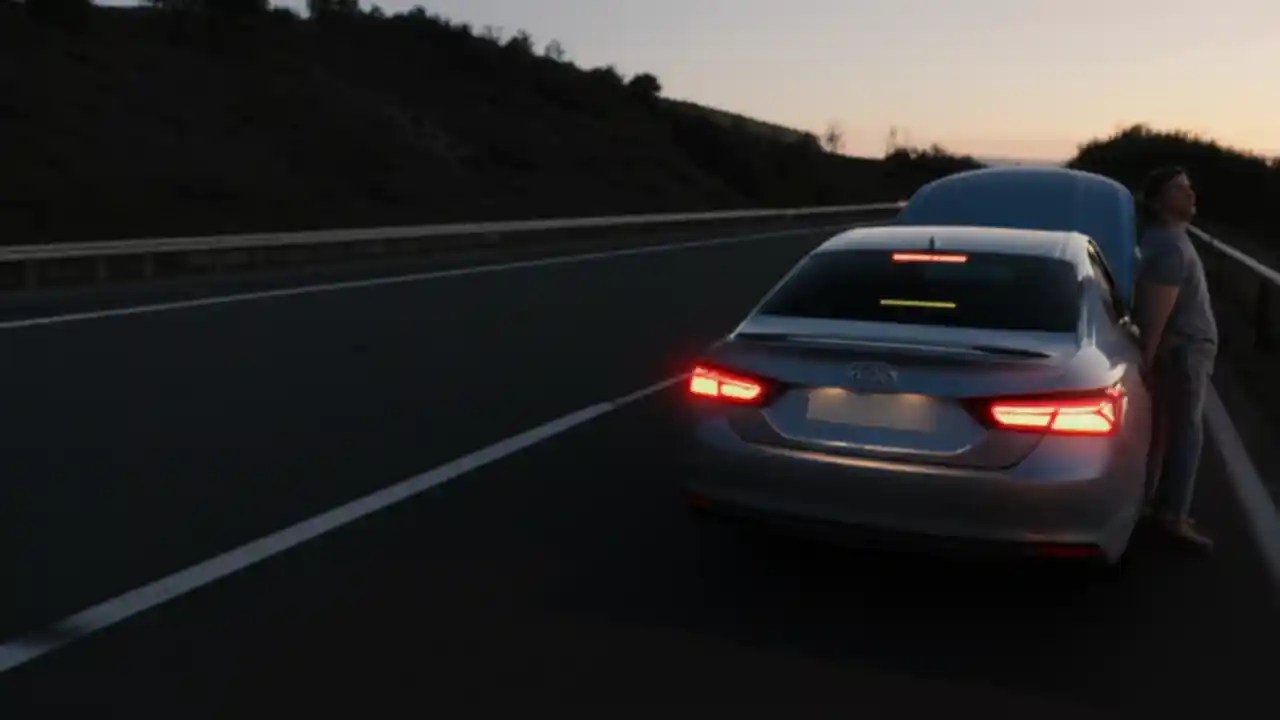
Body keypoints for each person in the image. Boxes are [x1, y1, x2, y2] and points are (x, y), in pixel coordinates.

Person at [1134, 166, 1217, 552]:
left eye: (1189, 186)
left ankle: (1161, 504)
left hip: (1186, 350)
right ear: (1156, 200)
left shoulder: (1168, 240)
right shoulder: (1168, 246)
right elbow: (1156, 313)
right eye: (1179, 188)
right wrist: (1147, 361)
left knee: (1172, 433)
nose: (1190, 193)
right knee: (1186, 434)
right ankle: (1173, 516)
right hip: (1184, 353)